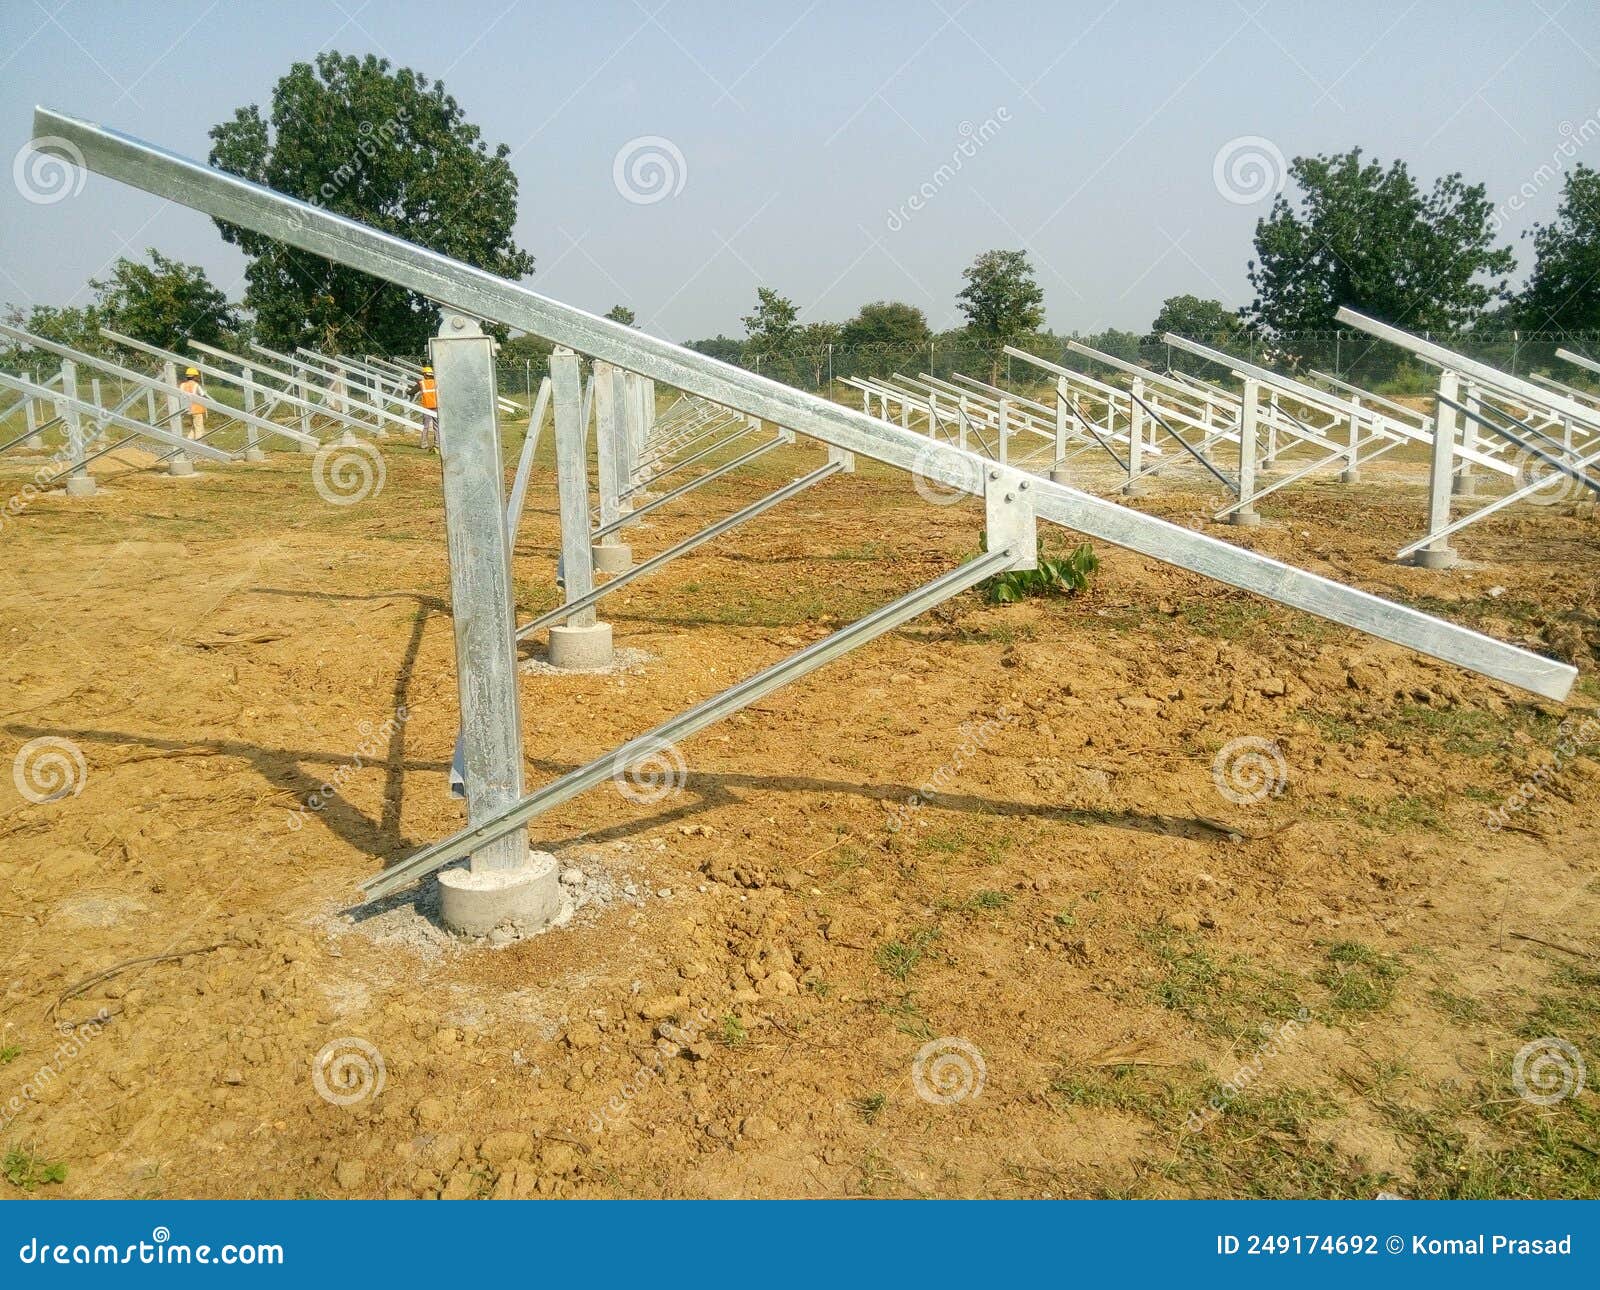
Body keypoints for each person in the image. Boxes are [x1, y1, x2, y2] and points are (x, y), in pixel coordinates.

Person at [407, 364, 439, 451]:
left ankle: (424, 444)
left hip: (426, 407)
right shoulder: (437, 382)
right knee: (437, 426)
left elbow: (412, 391)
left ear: (425, 374)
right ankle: (437, 444)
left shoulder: (421, 383)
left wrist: (408, 392)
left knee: (425, 426)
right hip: (436, 407)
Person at [178, 367, 207, 440]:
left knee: (194, 426)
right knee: (199, 427)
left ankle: (188, 441)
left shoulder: (182, 385)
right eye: (197, 376)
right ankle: (199, 444)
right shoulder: (196, 385)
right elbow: (203, 395)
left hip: (187, 409)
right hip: (197, 409)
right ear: (194, 376)